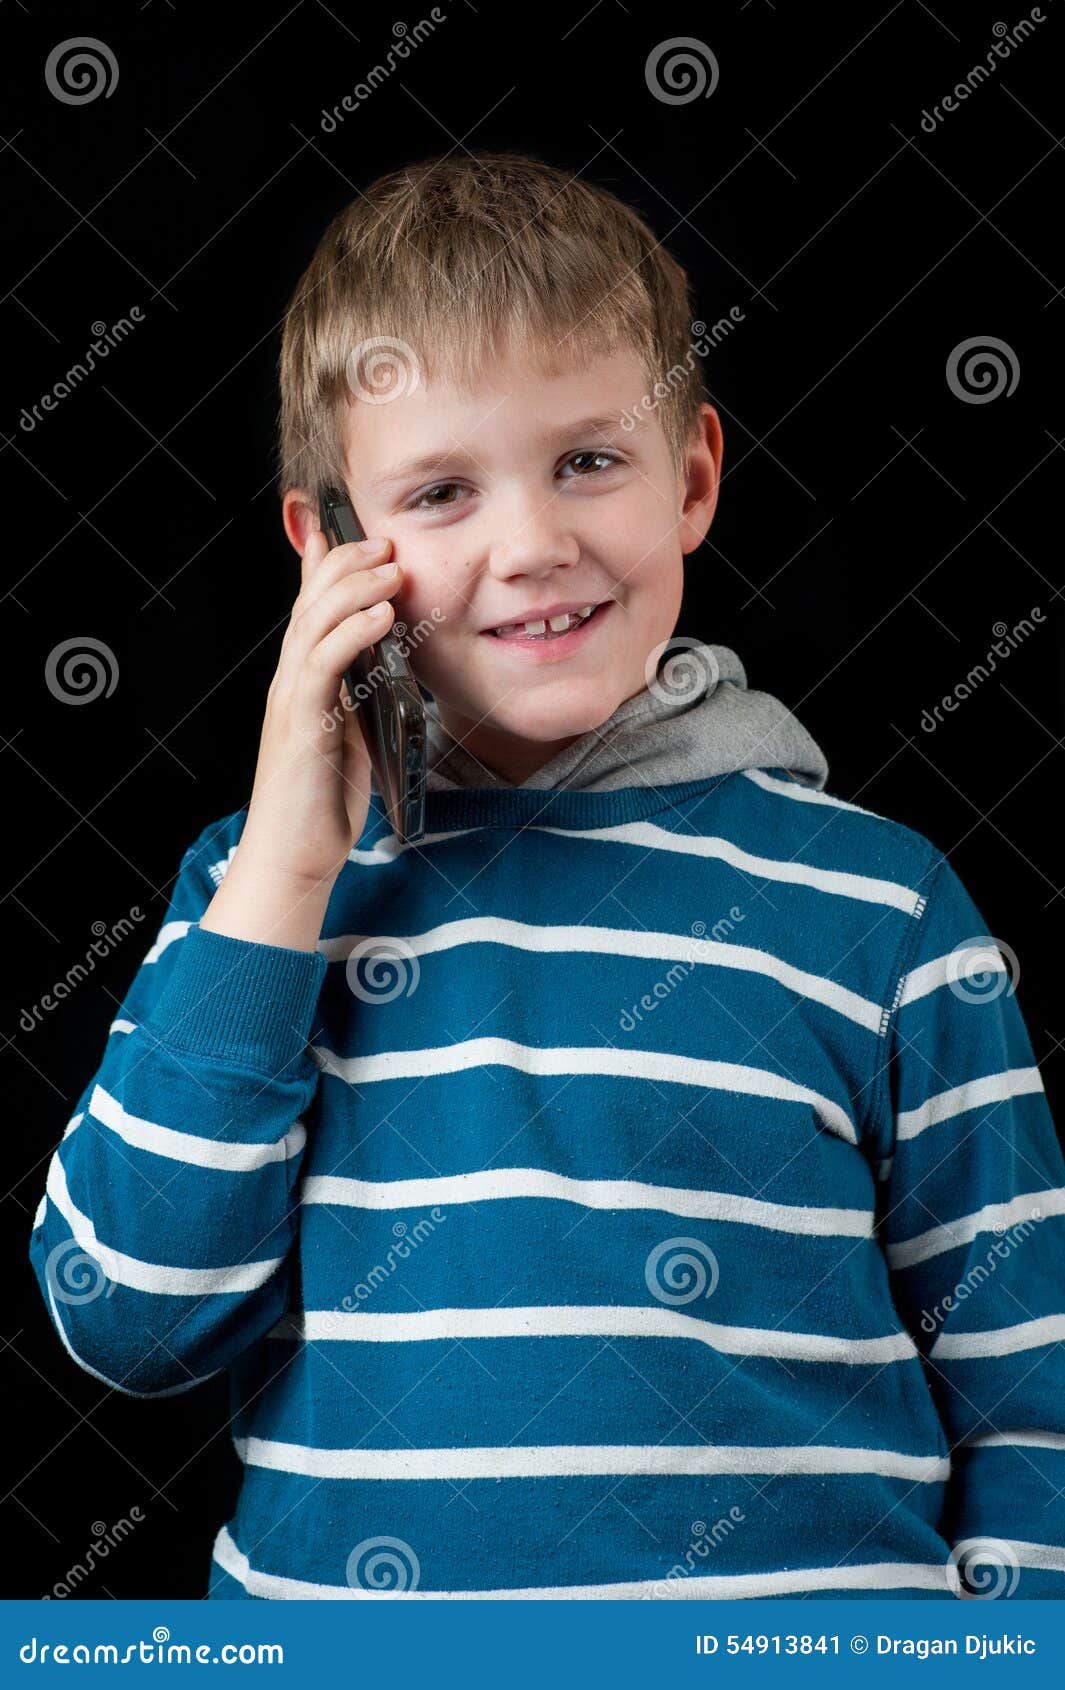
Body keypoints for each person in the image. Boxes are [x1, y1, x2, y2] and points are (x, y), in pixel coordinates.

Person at [29, 151, 1065, 1600]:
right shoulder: (255, 899)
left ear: (691, 477)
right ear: (327, 547)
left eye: (589, 460)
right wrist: (283, 877)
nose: (534, 545)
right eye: (443, 490)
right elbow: (131, 1321)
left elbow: (1033, 1392)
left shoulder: (879, 908)